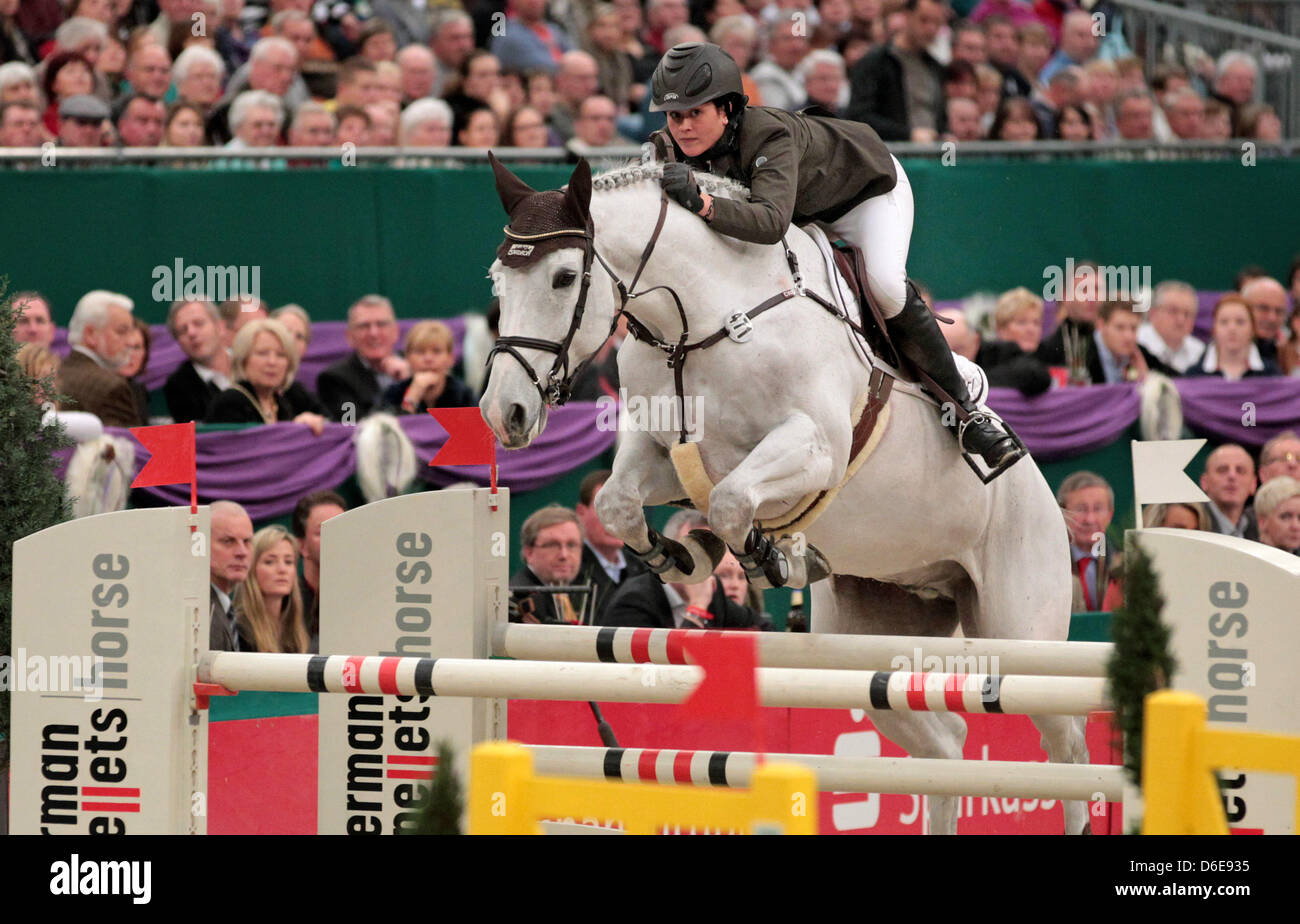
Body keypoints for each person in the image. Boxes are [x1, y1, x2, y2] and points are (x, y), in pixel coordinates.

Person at [647, 42, 1022, 471]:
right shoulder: (666, 148)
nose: (684, 127)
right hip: (803, 215)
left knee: (883, 284)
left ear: (729, 108)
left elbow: (769, 224)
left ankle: (966, 411)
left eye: (696, 113)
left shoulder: (769, 134)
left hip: (865, 196)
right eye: (675, 116)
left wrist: (703, 204)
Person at [598, 510, 766, 629]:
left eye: (712, 555)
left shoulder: (713, 593)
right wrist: (698, 608)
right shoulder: (634, 600)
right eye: (693, 551)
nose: (705, 563)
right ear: (667, 553)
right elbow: (669, 670)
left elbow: (764, 629)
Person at [846, 0, 946, 141]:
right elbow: (859, 116)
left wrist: (945, 135)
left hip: (931, 157)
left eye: (937, 23)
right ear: (907, 16)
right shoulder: (875, 62)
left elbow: (939, 116)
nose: (931, 29)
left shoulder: (935, 67)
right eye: (924, 20)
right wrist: (908, 134)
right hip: (891, 155)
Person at [205, 318, 327, 434]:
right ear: (243, 359)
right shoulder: (229, 403)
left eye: (281, 355)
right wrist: (292, 431)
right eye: (262, 353)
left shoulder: (283, 403)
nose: (272, 362)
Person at [58, 289, 144, 428]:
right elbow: (129, 448)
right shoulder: (112, 387)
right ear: (91, 334)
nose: (130, 341)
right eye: (122, 331)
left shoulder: (50, 376)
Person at [317, 294, 409, 421]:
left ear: (396, 332)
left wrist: (411, 378)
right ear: (350, 336)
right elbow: (351, 424)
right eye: (364, 326)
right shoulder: (335, 379)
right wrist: (403, 387)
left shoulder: (418, 366)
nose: (373, 333)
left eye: (381, 324)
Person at [573, 469, 648, 621]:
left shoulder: (642, 568)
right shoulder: (568, 569)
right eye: (604, 507)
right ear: (581, 512)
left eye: (625, 508)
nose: (616, 518)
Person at [510, 505, 596, 624]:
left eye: (571, 545)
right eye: (552, 545)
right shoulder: (520, 601)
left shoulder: (587, 590)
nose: (564, 555)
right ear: (529, 552)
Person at [236, 525, 313, 653]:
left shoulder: (298, 628)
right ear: (251, 568)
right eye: (270, 562)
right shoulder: (239, 630)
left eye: (288, 562)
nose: (282, 569)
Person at [1057, 471, 1122, 612]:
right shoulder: (1049, 566)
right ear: (1062, 514)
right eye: (1080, 509)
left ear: (1110, 515)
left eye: (1098, 509)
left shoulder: (1124, 565)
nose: (1090, 519)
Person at [381, 320, 476, 413]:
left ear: (450, 358)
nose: (428, 358)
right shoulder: (393, 393)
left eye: (437, 351)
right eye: (420, 351)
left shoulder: (464, 395)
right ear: (407, 357)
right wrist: (414, 394)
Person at [291, 490, 347, 644]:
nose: (336, 537)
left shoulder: (362, 600)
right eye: (323, 531)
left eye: (342, 528)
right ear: (301, 546)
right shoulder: (287, 605)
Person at [164, 299, 232, 423]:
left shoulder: (250, 363)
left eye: (199, 323)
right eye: (182, 330)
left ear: (220, 327)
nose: (191, 333)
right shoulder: (179, 385)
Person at [1185, 294, 1281, 380]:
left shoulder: (1271, 375)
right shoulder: (1193, 376)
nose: (1232, 329)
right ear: (1214, 329)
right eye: (1224, 322)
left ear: (1252, 328)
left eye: (1240, 322)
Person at [210, 500, 254, 652]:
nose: (242, 552)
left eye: (247, 541)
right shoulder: (199, 612)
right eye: (228, 541)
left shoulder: (224, 607)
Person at [1137, 281, 1205, 374]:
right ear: (1152, 313)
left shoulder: (1199, 351)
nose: (1180, 320)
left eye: (1187, 314)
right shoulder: (1136, 342)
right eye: (1173, 311)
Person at [1198, 443, 1259, 540]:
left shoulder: (1261, 529)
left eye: (1240, 470)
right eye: (1222, 470)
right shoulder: (1192, 523)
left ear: (1253, 484)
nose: (1232, 476)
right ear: (1204, 482)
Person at [1253, 476, 1300, 555]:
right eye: (1286, 517)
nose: (1296, 526)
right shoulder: (1246, 560)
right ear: (1262, 522)